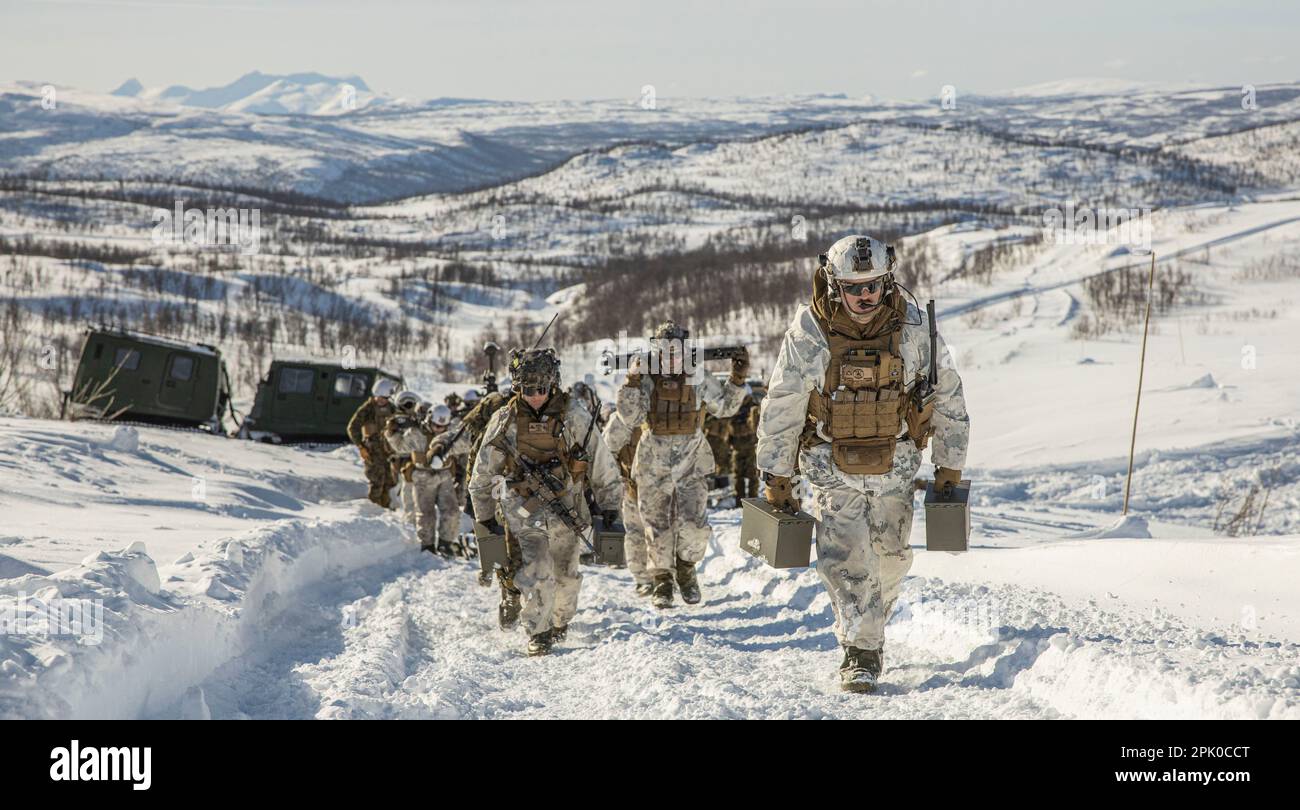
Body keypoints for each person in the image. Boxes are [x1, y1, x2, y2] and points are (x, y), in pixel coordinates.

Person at [756, 235, 970, 693]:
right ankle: (860, 650)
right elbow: (783, 403)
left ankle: (870, 624)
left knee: (892, 560)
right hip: (832, 470)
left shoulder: (914, 327)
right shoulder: (809, 332)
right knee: (848, 561)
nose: (865, 296)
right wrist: (777, 474)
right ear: (835, 286)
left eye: (873, 285)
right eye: (854, 288)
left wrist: (950, 464)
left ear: (886, 280)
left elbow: (948, 392)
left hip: (896, 466)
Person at [468, 348, 622, 656]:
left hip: (568, 511)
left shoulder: (574, 416)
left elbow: (603, 468)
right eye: (527, 388)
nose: (535, 395)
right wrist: (485, 522)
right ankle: (538, 630)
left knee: (566, 578)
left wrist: (610, 510)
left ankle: (559, 621)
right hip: (523, 512)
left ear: (552, 384)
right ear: (517, 387)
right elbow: (482, 476)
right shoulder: (504, 420)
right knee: (536, 568)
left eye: (540, 388)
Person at [616, 320, 748, 608]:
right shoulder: (647, 378)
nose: (671, 355)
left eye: (677, 349)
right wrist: (631, 381)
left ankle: (686, 570)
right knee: (656, 525)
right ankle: (662, 581)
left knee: (694, 525)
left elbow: (725, 407)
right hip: (652, 463)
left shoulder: (697, 376)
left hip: (691, 463)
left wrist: (737, 378)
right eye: (665, 349)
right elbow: (630, 418)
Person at [414, 404, 471, 556]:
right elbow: (399, 446)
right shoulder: (416, 433)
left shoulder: (451, 436)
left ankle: (446, 543)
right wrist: (391, 433)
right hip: (423, 476)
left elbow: (463, 450)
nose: (439, 429)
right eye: (436, 426)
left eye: (443, 426)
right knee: (426, 514)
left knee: (452, 511)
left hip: (445, 475)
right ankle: (427, 546)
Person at [347, 377, 400, 509]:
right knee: (377, 481)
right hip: (373, 451)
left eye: (386, 398)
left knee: (389, 482)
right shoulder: (367, 409)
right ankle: (374, 510)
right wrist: (361, 446)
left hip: (389, 450)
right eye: (381, 397)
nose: (383, 401)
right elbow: (352, 427)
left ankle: (385, 508)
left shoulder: (392, 409)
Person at [383, 390, 426, 524]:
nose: (410, 408)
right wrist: (391, 432)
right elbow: (398, 447)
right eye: (407, 405)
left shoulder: (420, 420)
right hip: (405, 463)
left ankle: (417, 520)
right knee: (407, 492)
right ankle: (410, 521)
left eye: (412, 404)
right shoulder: (395, 421)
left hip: (421, 462)